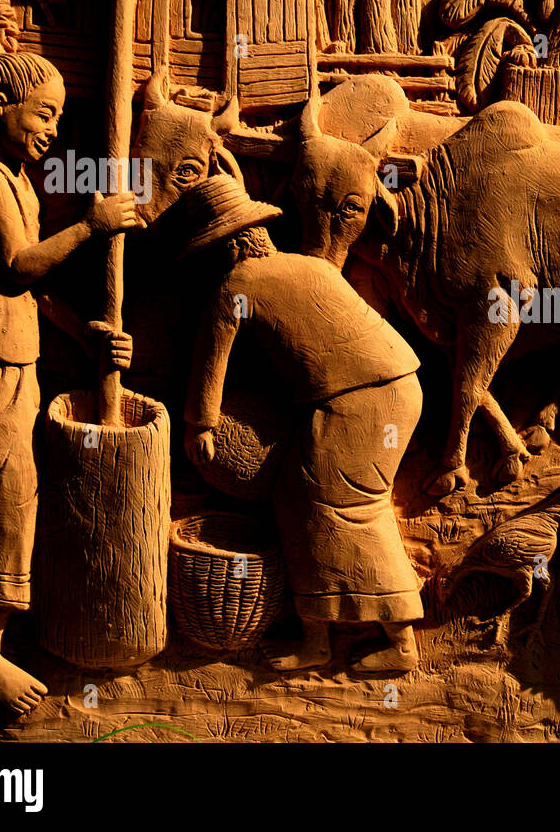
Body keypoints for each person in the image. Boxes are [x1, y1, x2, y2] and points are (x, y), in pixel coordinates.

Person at [0, 39, 139, 715]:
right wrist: (91, 223)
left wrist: (85, 333)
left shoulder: (16, 179)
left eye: (59, 117)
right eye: (43, 114)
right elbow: (18, 265)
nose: (53, 129)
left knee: (11, 499)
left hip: (11, 361)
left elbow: (31, 290)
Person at [180, 175, 425, 673]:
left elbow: (212, 359)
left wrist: (199, 425)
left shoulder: (239, 283)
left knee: (335, 508)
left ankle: (390, 642)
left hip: (362, 402)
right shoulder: (307, 267)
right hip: (398, 387)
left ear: (228, 246)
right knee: (309, 502)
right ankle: (321, 632)